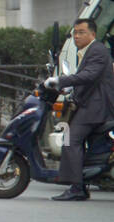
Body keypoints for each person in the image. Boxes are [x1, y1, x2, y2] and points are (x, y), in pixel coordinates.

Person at [45, 18, 114, 201]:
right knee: (80, 144)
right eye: (75, 32)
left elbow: (89, 75)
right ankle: (82, 185)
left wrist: (60, 80)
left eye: (82, 32)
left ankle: (76, 188)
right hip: (91, 104)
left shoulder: (97, 50)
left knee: (70, 140)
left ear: (93, 34)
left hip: (96, 107)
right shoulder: (87, 51)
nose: (77, 36)